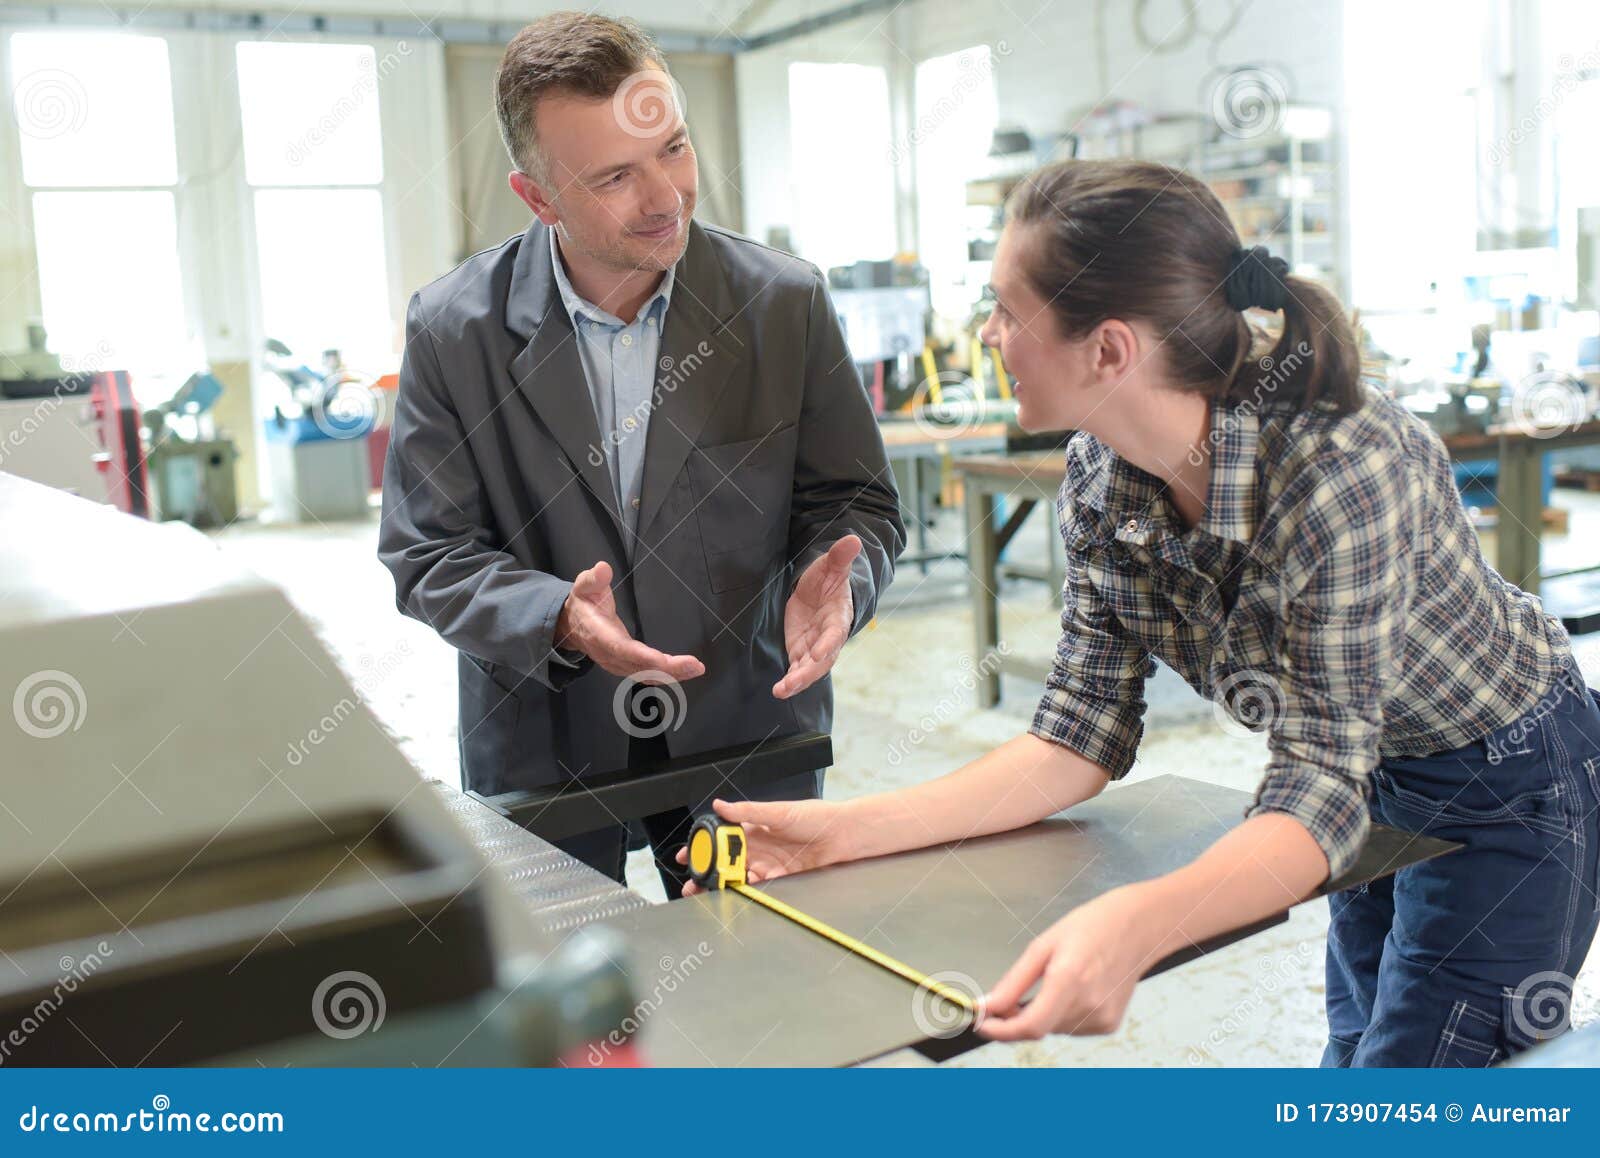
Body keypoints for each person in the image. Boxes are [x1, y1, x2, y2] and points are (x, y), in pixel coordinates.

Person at [680, 158, 1600, 1066]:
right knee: (1359, 1055)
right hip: (1367, 779)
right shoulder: (1099, 476)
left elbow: (1318, 784)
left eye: (1006, 310)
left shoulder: (1344, 466)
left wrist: (1139, 924)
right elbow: (1078, 734)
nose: (988, 333)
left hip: (1507, 774)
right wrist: (845, 833)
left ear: (1109, 349)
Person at [379, 12, 904, 898]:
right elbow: (427, 551)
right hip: (548, 740)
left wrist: (843, 581)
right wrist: (556, 616)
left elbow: (856, 502)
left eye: (673, 149)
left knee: (755, 969)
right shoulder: (453, 330)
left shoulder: (783, 304)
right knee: (580, 982)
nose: (666, 197)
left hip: (743, 725)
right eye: (616, 176)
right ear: (539, 199)